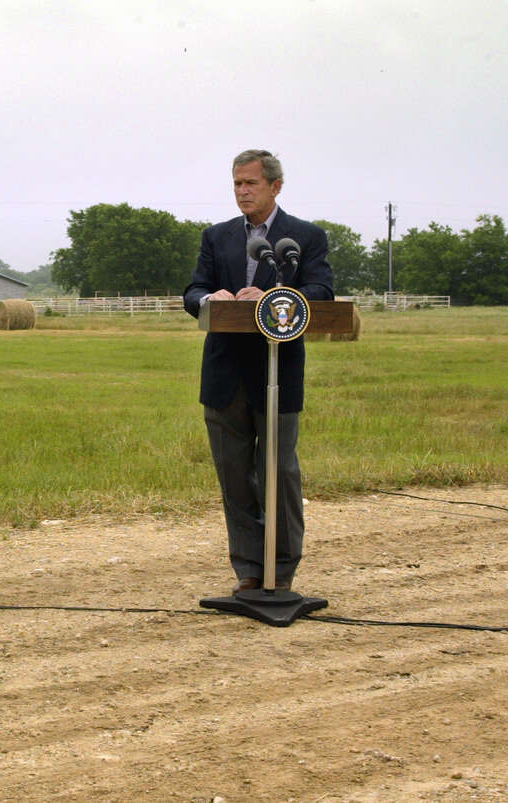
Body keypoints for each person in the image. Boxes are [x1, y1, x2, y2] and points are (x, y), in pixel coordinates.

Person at [183, 149, 334, 594]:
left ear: (275, 186)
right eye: (236, 184)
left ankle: (280, 570)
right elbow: (194, 290)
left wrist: (272, 296)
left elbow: (321, 290)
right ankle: (249, 569)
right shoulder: (216, 236)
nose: (242, 191)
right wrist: (213, 300)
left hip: (278, 373)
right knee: (234, 476)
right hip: (224, 374)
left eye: (250, 183)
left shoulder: (304, 237)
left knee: (279, 473)